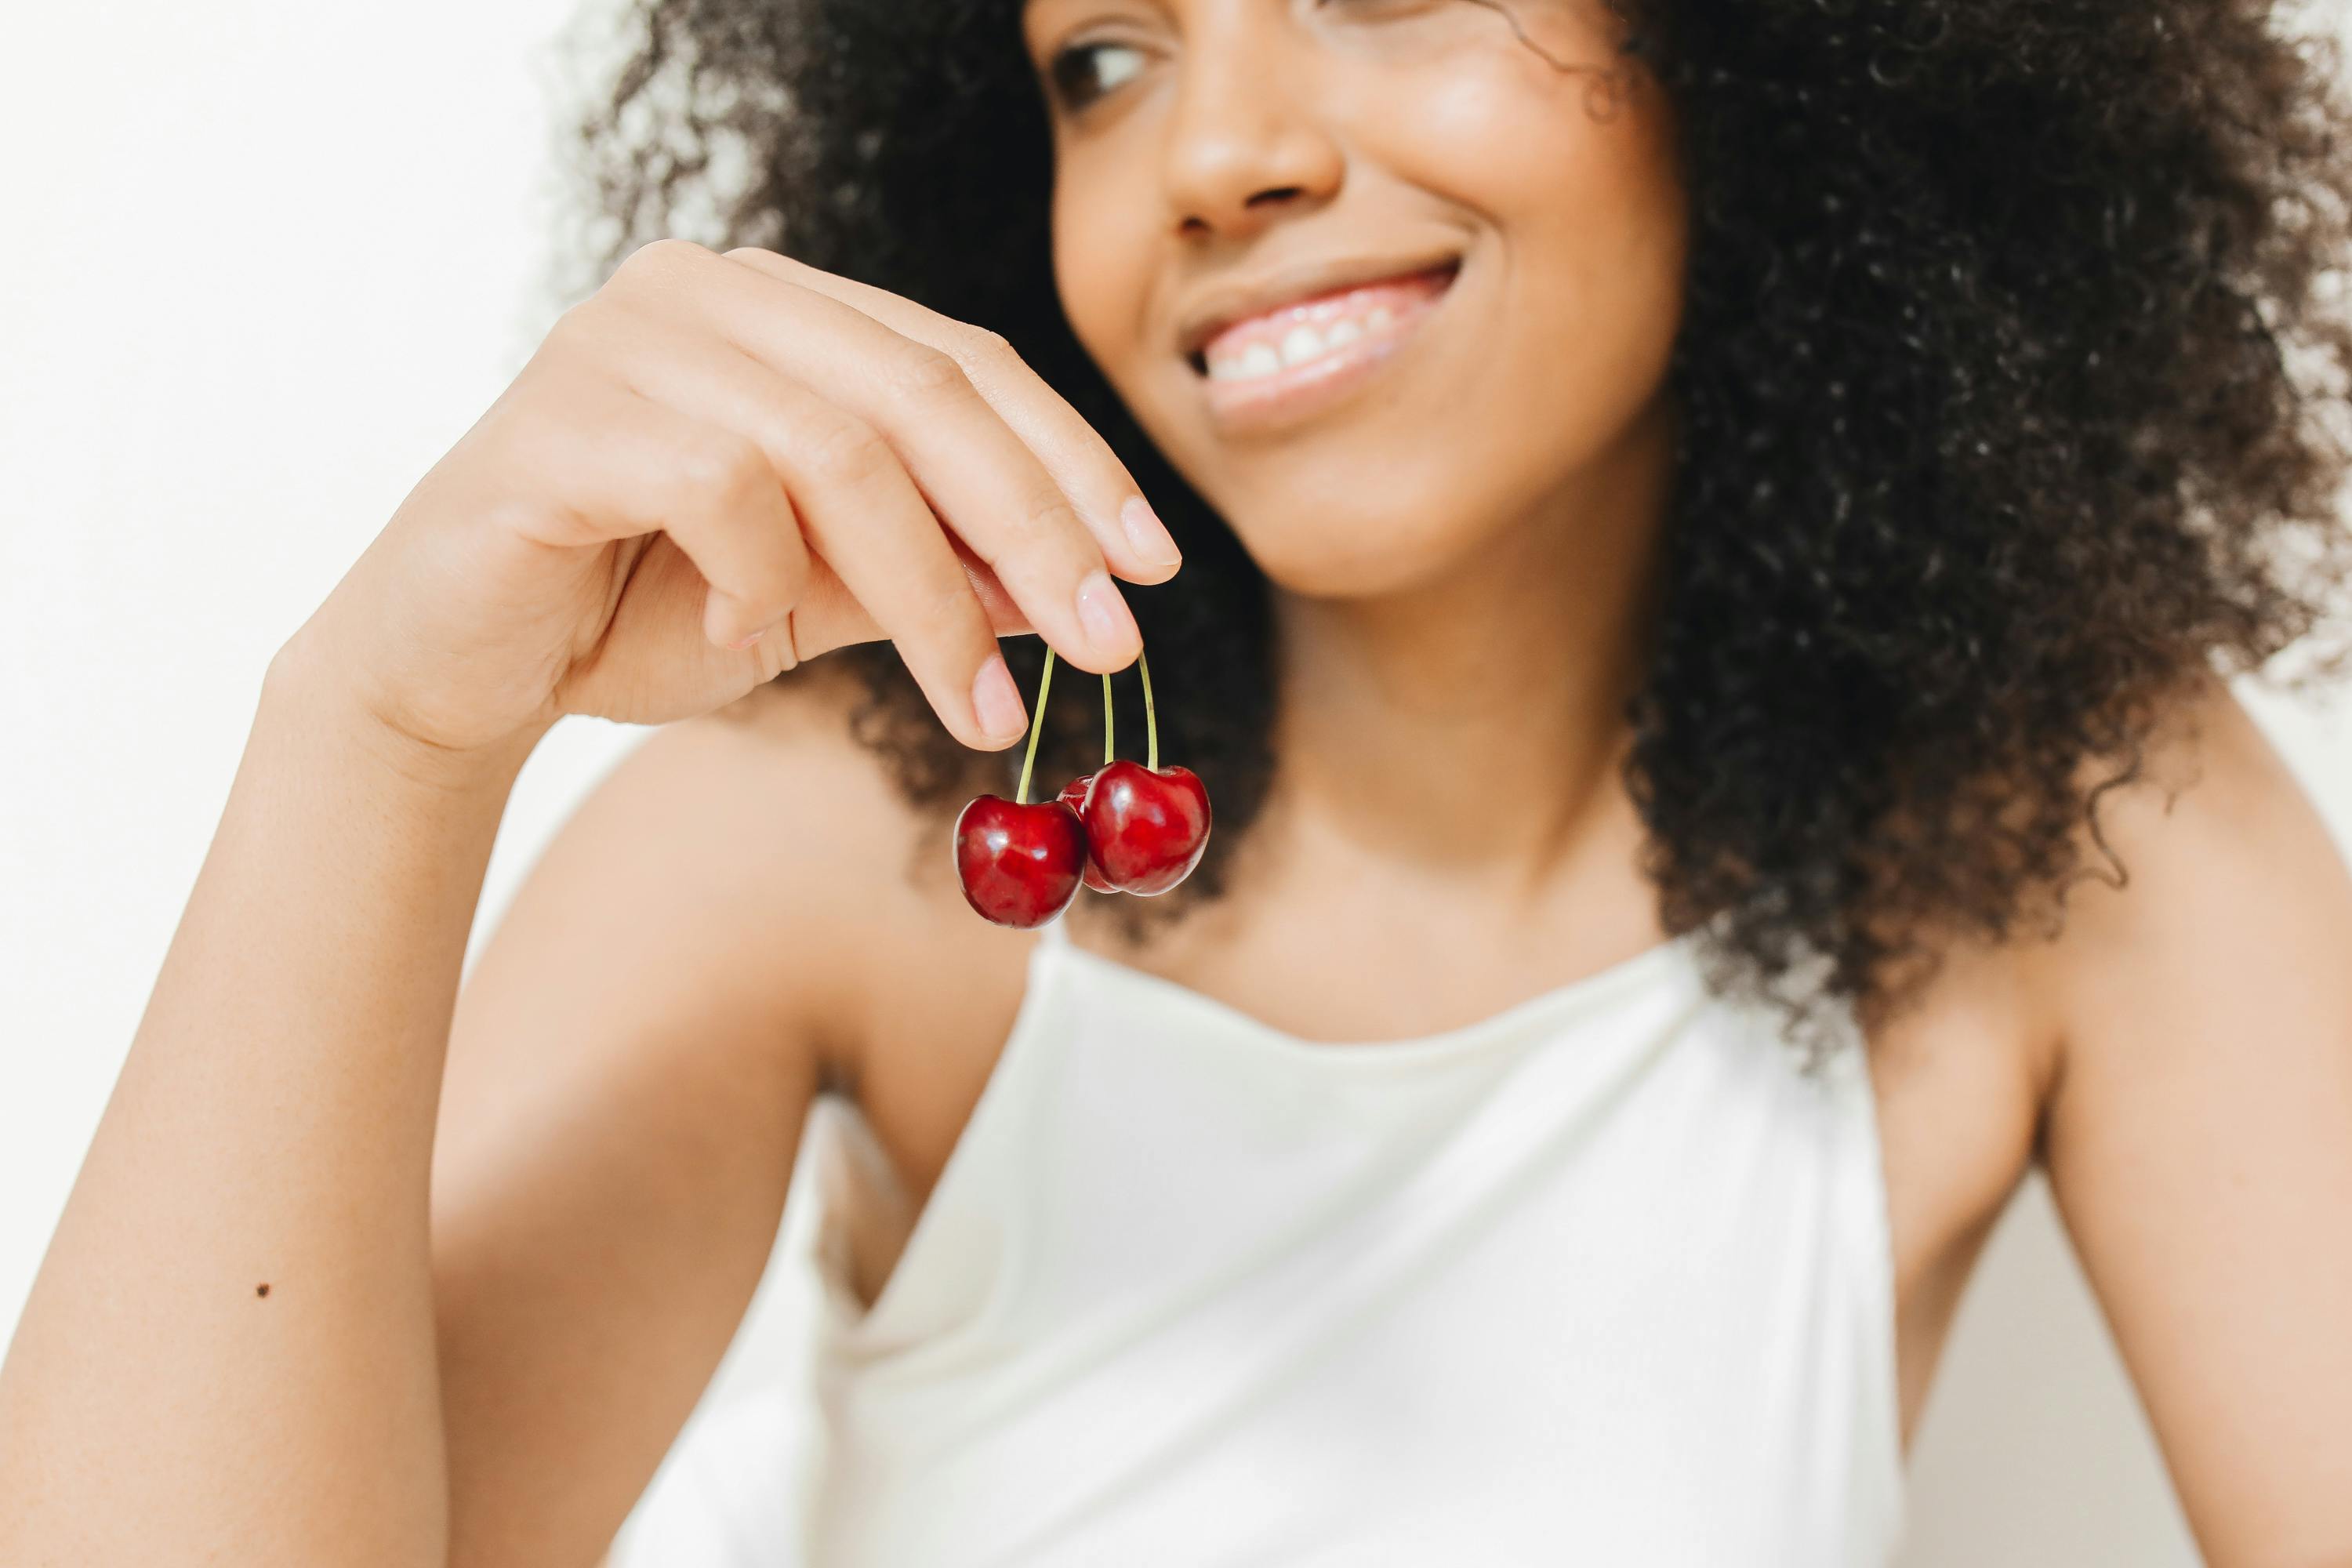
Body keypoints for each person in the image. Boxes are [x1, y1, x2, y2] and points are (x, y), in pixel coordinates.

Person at [5, 0, 2352, 1562]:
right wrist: (377, 734)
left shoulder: (2069, 836)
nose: (1214, 151)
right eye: (1106, 54)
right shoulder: (858, 827)